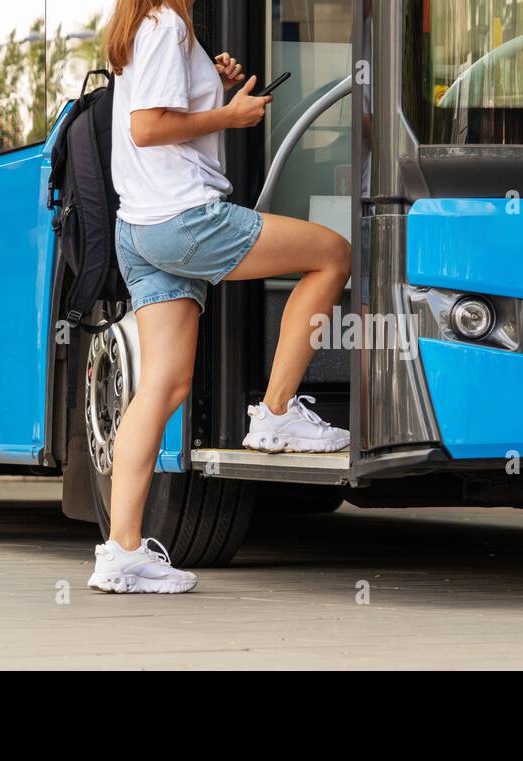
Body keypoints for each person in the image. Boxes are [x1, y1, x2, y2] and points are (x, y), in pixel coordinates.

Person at [86, 0, 352, 594]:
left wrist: (213, 87)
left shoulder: (140, 28)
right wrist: (230, 117)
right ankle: (277, 415)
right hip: (183, 219)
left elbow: (156, 113)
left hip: (141, 230)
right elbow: (147, 128)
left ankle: (121, 552)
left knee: (161, 387)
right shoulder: (166, 24)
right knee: (332, 253)